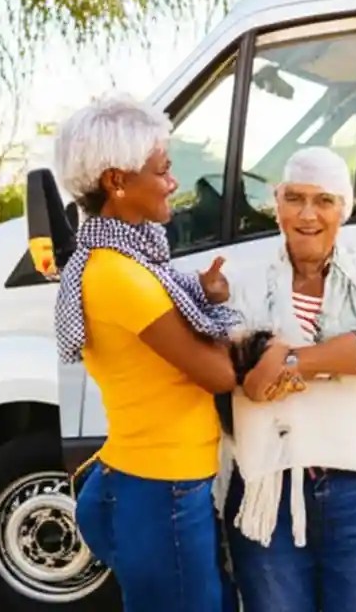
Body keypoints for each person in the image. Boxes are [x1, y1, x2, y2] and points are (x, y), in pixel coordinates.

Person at [55, 93, 280, 611]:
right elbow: (220, 374)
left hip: (146, 479)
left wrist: (204, 297)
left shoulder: (127, 262)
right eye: (163, 169)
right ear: (117, 181)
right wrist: (225, 318)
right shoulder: (120, 276)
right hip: (162, 488)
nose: (174, 183)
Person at [216, 146, 356, 611]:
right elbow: (241, 371)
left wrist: (288, 361)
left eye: (323, 201)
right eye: (295, 198)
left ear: (342, 209)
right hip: (267, 491)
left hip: (355, 490)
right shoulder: (247, 282)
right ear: (277, 204)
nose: (308, 215)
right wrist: (335, 358)